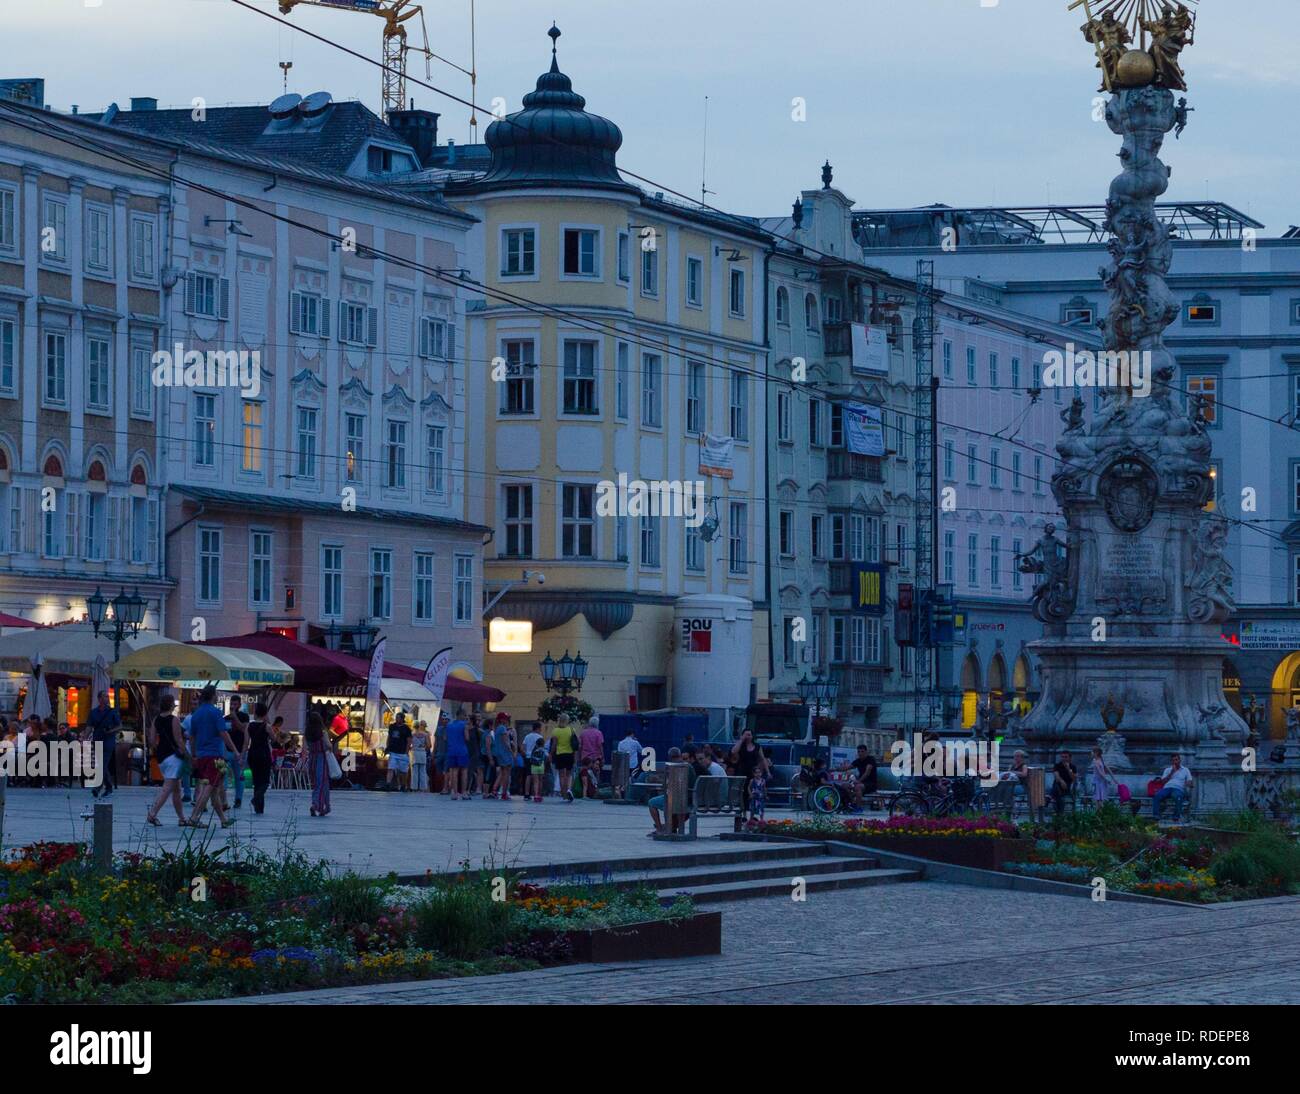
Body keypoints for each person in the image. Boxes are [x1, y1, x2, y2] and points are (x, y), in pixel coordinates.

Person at [186, 685, 239, 829]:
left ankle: (223, 819)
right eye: (216, 694)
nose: (217, 696)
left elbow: (191, 737)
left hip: (202, 755)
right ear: (212, 696)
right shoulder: (216, 712)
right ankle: (194, 816)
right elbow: (223, 733)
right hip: (215, 756)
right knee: (210, 787)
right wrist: (235, 750)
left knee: (215, 788)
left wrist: (194, 755)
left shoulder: (196, 714)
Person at [146, 695, 191, 827]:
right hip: (173, 757)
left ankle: (182, 818)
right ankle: (152, 814)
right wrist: (186, 753)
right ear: (171, 705)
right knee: (168, 787)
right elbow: (178, 739)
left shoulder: (156, 720)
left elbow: (152, 740)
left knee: (177, 788)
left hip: (161, 757)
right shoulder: (174, 720)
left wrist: (158, 748)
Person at [648, 747, 698, 836]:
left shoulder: (673, 766)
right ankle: (670, 827)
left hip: (678, 798)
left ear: (670, 757)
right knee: (671, 802)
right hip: (690, 798)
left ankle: (660, 829)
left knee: (652, 802)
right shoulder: (689, 766)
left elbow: (672, 785)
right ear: (680, 755)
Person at [87, 691, 121, 799]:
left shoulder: (112, 712)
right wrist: (84, 737)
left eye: (107, 696)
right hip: (97, 739)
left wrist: (111, 731)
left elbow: (119, 726)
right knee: (100, 764)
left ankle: (97, 787)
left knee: (103, 763)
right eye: (105, 696)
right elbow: (89, 726)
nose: (107, 698)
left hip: (108, 741)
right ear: (99, 699)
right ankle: (109, 787)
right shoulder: (93, 712)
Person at [729, 729, 769, 814]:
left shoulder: (757, 746)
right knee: (742, 791)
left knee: (753, 791)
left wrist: (768, 771)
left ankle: (753, 812)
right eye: (746, 735)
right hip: (742, 770)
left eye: (749, 735)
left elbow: (762, 759)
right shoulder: (741, 745)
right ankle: (742, 811)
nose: (748, 737)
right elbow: (733, 751)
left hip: (753, 772)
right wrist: (741, 739)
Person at [247, 702, 274, 815]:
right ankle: (256, 798)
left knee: (257, 781)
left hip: (252, 753)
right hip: (264, 754)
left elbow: (245, 742)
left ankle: (259, 808)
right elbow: (274, 738)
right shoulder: (266, 726)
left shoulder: (250, 726)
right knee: (265, 781)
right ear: (265, 714)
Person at [304, 710, 332, 817]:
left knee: (317, 783)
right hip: (321, 758)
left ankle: (326, 807)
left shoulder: (307, 733)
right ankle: (316, 805)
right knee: (322, 783)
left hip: (312, 759)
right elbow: (328, 745)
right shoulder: (322, 732)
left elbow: (306, 747)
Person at [548, 714, 581, 803]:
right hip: (570, 754)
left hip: (560, 755)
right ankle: (569, 789)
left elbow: (554, 745)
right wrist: (575, 757)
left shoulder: (555, 731)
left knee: (561, 775)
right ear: (567, 721)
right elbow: (575, 744)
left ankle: (564, 794)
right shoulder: (571, 730)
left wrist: (550, 754)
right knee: (569, 775)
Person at [1152, 753, 1193, 822]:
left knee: (1178, 797)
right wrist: (1171, 772)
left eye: (1176, 760)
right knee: (1157, 795)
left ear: (1180, 760)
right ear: (1171, 761)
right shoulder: (1167, 770)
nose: (1175, 762)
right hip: (1167, 788)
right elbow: (1163, 782)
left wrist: (1188, 783)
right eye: (1173, 760)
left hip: (1178, 788)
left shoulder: (1185, 770)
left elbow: (1190, 782)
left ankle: (1176, 817)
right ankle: (1156, 816)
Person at [839, 745, 878, 811]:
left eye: (862, 751)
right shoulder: (857, 761)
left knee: (858, 787)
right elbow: (846, 768)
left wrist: (858, 781)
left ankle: (859, 807)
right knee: (844, 786)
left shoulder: (871, 759)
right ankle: (852, 803)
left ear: (866, 752)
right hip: (861, 783)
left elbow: (867, 773)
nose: (860, 753)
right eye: (859, 751)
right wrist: (834, 769)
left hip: (871, 783)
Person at [225, 709, 249, 809]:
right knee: (223, 774)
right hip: (227, 751)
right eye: (232, 705)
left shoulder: (244, 717)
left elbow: (244, 729)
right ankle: (223, 799)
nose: (233, 706)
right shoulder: (226, 719)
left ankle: (238, 798)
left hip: (240, 751)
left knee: (239, 776)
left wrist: (235, 718)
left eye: (235, 704)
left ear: (239, 704)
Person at [443, 710, 470, 799]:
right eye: (465, 715)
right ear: (460, 715)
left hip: (451, 750)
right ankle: (464, 793)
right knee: (464, 771)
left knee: (454, 772)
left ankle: (454, 793)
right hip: (462, 750)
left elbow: (445, 738)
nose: (466, 717)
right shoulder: (464, 725)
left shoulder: (449, 725)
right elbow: (467, 738)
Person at [577, 717, 605, 799]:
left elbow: (580, 746)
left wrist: (578, 757)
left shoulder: (583, 733)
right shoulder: (599, 733)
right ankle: (594, 792)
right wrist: (602, 756)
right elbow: (600, 745)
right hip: (596, 757)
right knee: (595, 775)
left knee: (584, 775)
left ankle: (584, 792)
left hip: (585, 757)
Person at [490, 714, 516, 800]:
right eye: (506, 718)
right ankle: (504, 793)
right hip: (505, 753)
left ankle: (497, 791)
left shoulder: (497, 728)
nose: (507, 720)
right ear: (502, 720)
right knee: (507, 774)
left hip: (499, 753)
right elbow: (506, 742)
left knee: (502, 772)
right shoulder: (502, 728)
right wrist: (512, 752)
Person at [386, 712, 413, 792]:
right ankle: (388, 784)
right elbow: (389, 737)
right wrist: (388, 747)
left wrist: (406, 751)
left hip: (402, 752)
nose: (397, 719)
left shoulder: (406, 728)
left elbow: (409, 740)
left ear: (402, 719)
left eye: (398, 718)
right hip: (393, 752)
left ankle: (403, 785)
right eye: (396, 717)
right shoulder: (392, 726)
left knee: (403, 771)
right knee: (390, 768)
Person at [1051, 750, 1078, 816]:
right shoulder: (1057, 765)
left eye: (1066, 757)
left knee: (1057, 791)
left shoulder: (1073, 767)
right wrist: (1062, 781)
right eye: (1062, 757)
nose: (1064, 759)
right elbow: (1056, 777)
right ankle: (1060, 813)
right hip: (1058, 785)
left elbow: (1074, 779)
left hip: (1068, 786)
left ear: (1070, 758)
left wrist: (1068, 769)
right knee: (1058, 788)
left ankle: (1049, 798)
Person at [525, 730, 547, 804]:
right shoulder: (544, 750)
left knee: (535, 782)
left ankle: (536, 795)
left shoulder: (534, 750)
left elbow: (531, 758)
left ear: (536, 744)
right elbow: (546, 758)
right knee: (541, 781)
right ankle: (540, 795)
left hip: (534, 766)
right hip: (541, 766)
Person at [464, 713, 484, 795]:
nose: (466, 720)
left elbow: (483, 737)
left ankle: (468, 789)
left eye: (467, 719)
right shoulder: (464, 728)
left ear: (471, 720)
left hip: (474, 752)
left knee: (470, 771)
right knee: (467, 771)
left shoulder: (476, 730)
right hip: (466, 752)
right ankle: (468, 788)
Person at [410, 719, 431, 792]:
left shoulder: (412, 734)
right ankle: (423, 788)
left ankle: (414, 787)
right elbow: (429, 745)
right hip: (422, 752)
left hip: (414, 752)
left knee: (415, 771)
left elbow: (409, 744)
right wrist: (423, 746)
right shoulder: (425, 734)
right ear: (419, 726)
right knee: (422, 771)